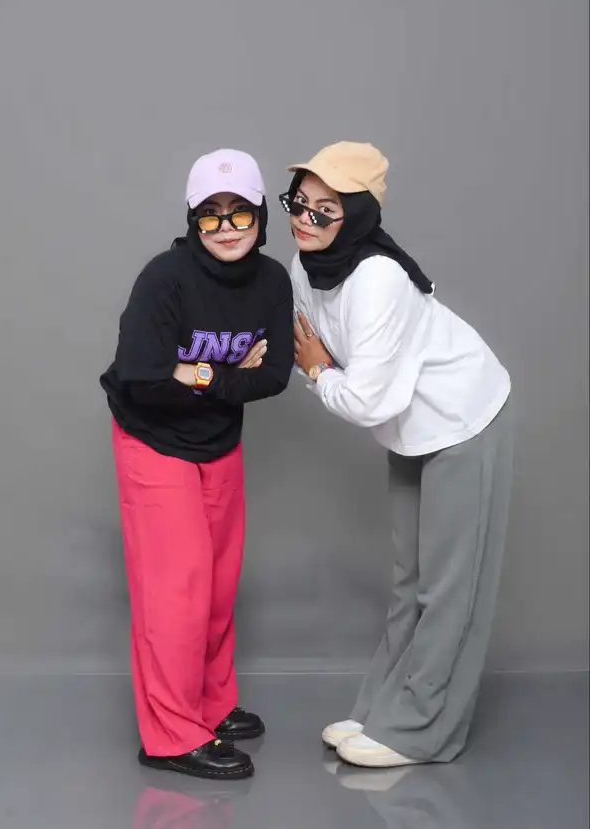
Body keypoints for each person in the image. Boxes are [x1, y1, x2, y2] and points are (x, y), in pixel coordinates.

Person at [282, 141, 512, 768]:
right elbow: (312, 350)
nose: (305, 219)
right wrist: (321, 368)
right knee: (410, 580)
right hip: (410, 429)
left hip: (462, 419)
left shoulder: (377, 277)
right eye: (299, 203)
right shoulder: (306, 266)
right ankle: (385, 709)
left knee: (449, 587)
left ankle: (421, 730)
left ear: (356, 214)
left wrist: (320, 372)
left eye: (325, 210)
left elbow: (363, 397)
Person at [100, 149, 293, 780]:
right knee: (175, 592)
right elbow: (143, 377)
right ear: (193, 220)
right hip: (153, 439)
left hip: (219, 439)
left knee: (216, 585)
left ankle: (210, 704)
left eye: (240, 212)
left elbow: (275, 376)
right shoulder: (165, 279)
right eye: (211, 214)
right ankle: (171, 734)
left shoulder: (272, 282)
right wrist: (225, 375)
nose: (227, 227)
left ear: (261, 215)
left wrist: (194, 374)